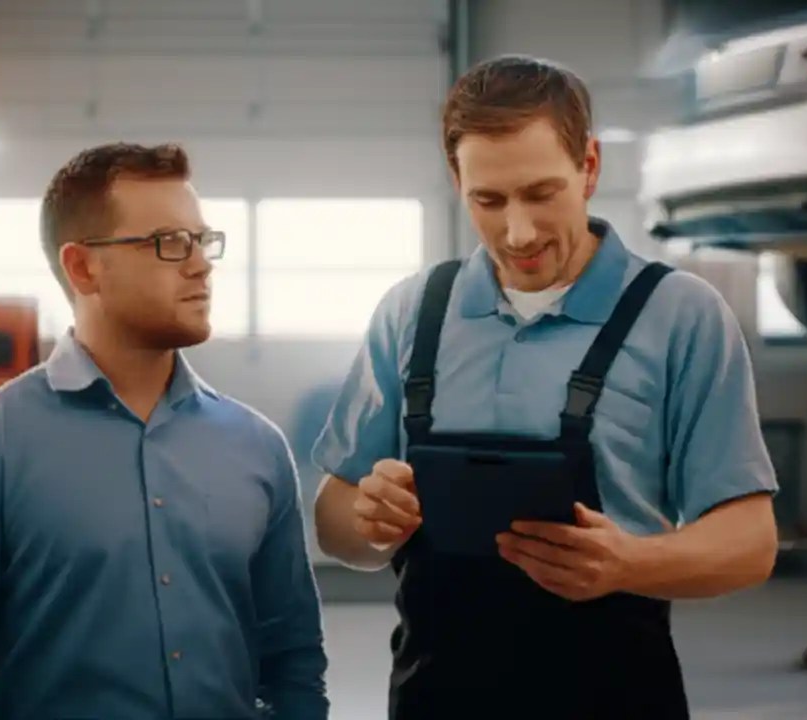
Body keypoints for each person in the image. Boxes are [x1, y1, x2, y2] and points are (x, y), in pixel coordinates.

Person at [311, 55, 780, 718]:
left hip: (616, 695)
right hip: (435, 696)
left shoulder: (681, 315)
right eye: (489, 200)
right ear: (457, 180)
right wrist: (369, 519)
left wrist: (627, 566)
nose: (518, 232)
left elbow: (750, 543)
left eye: (541, 193)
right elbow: (335, 528)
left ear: (589, 167)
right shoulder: (413, 310)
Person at [0, 142, 329, 720]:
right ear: (82, 266)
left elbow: (293, 661)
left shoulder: (257, 448)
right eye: (169, 243)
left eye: (202, 240)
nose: (200, 263)